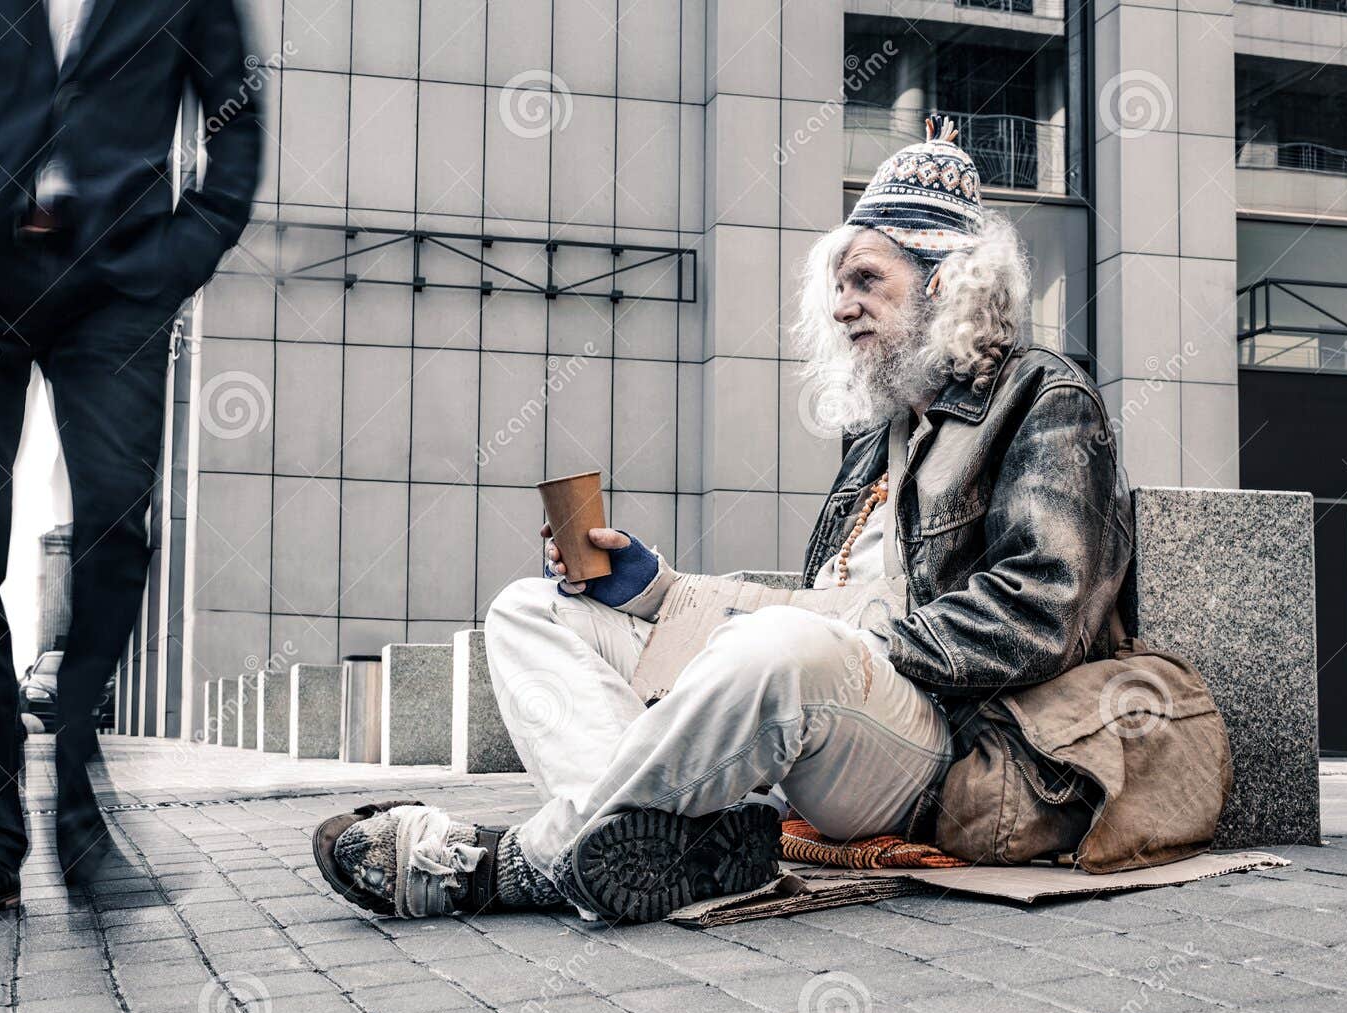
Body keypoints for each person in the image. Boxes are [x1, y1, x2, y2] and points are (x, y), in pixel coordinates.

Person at [315, 116, 1132, 924]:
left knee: (780, 648)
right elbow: (825, 611)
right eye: (836, 287)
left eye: (865, 281)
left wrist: (864, 644)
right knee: (531, 609)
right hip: (837, 699)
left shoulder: (1043, 398)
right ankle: (671, 845)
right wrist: (658, 593)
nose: (842, 308)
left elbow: (1041, 609)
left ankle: (506, 865)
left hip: (947, 740)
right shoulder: (873, 437)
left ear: (945, 281)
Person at [0, 0, 261, 929]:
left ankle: (82, 805)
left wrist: (187, 247)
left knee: (111, 525)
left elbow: (236, 114)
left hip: (116, 283)